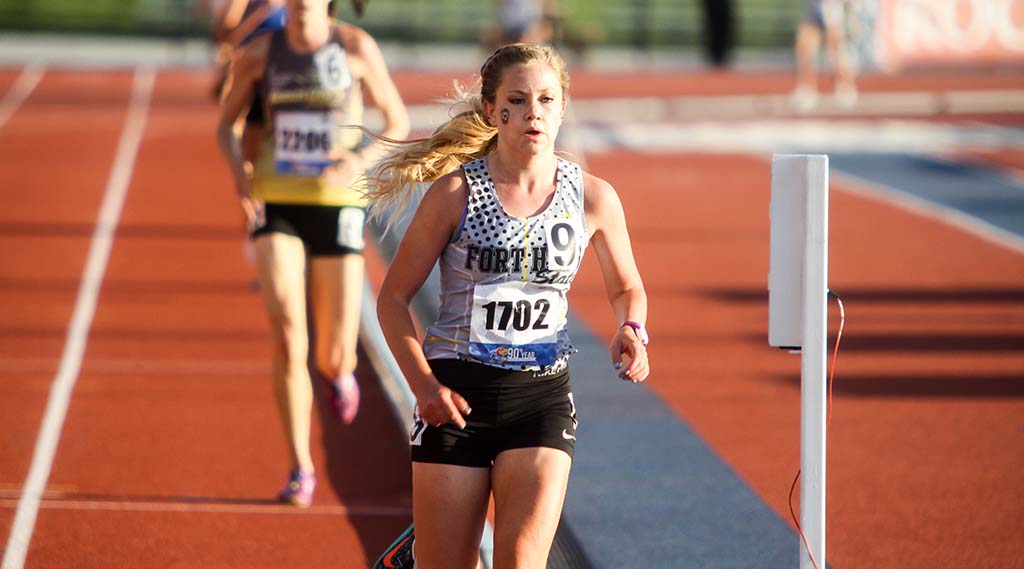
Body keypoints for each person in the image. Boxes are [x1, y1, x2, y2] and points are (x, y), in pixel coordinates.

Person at [369, 43, 649, 568]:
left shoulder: (592, 198)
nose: (533, 113)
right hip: (455, 395)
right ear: (490, 111)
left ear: (563, 108)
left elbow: (627, 286)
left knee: (521, 562)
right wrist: (423, 384)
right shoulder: (455, 194)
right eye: (517, 101)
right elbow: (393, 298)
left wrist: (632, 327)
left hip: (539, 399)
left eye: (546, 100)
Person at [215, 0, 410, 507]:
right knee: (287, 334)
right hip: (278, 200)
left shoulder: (356, 48)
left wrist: (357, 159)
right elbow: (226, 125)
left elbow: (397, 120)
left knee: (333, 352)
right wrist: (241, 175)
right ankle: (300, 466)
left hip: (338, 203)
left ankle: (339, 372)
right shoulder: (260, 53)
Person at [790, 0, 859, 112]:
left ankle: (845, 87)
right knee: (805, 45)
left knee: (835, 44)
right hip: (814, 5)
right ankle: (806, 88)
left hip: (831, 5)